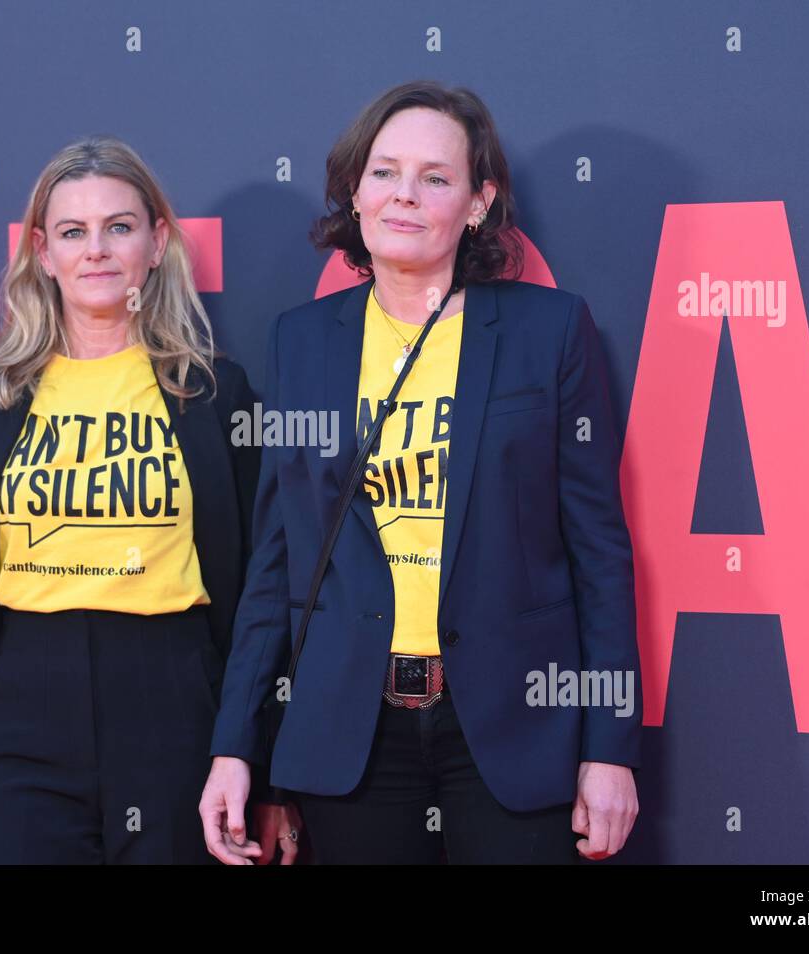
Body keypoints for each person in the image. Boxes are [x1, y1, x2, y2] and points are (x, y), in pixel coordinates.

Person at [200, 80, 642, 864]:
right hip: (351, 734)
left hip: (511, 729)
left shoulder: (549, 332)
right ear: (354, 190)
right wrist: (239, 745)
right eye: (384, 172)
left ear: (478, 203)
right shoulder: (302, 342)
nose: (403, 196)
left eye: (435, 178)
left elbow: (599, 554)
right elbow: (276, 562)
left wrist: (610, 748)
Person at [0, 136, 262, 864]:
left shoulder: (213, 393)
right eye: (73, 232)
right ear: (42, 251)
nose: (96, 250)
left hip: (174, 701)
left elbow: (261, 584)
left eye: (120, 227)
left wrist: (250, 749)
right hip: (18, 706)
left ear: (157, 242)